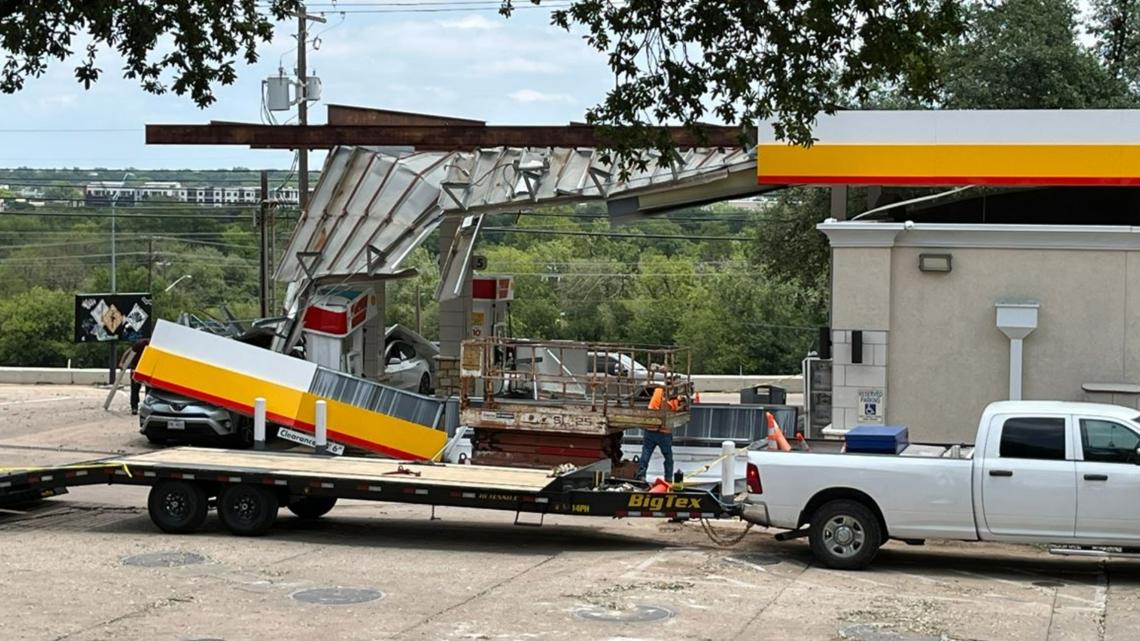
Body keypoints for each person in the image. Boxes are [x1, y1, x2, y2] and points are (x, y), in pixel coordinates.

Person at [637, 376, 686, 482]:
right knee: (667, 457)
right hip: (661, 431)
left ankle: (642, 476)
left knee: (647, 454)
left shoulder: (660, 391)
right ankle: (667, 478)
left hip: (654, 430)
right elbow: (671, 409)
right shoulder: (669, 394)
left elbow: (654, 407)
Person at [128, 337, 150, 415]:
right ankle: (148, 407)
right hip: (147, 370)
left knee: (134, 389)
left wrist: (123, 363)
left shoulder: (138, 344)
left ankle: (134, 407)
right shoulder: (152, 345)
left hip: (136, 368)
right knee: (149, 390)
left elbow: (129, 354)